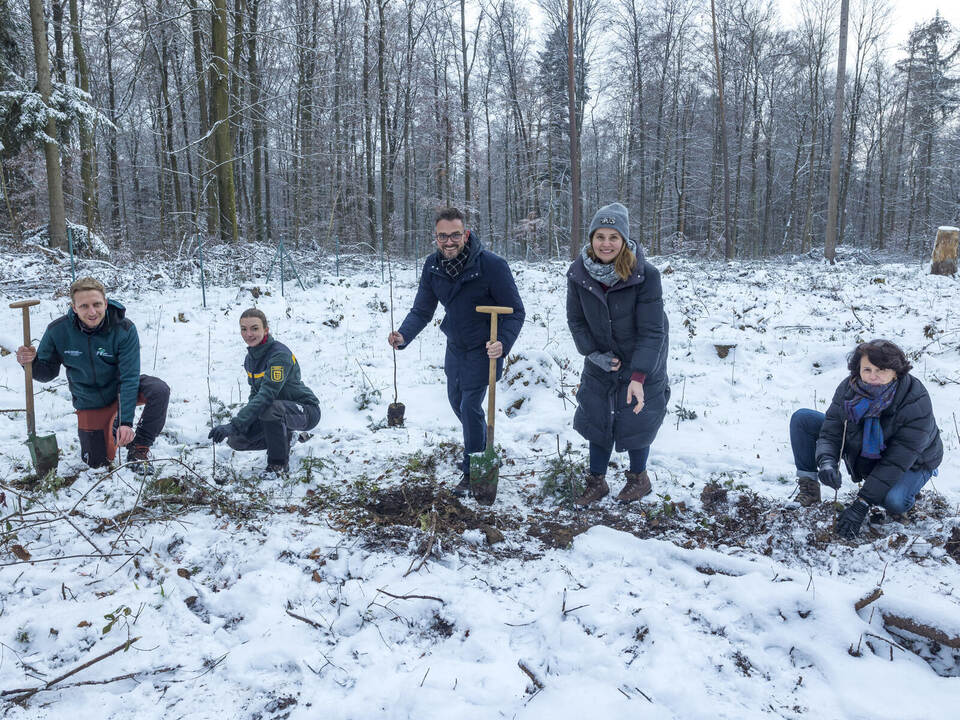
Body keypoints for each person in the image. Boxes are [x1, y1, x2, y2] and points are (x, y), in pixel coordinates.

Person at [388, 206, 525, 497]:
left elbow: (516, 312)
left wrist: (503, 343)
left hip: (485, 348)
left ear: (467, 233)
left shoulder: (492, 266)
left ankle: (471, 470)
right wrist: (403, 335)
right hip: (456, 347)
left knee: (470, 406)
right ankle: (479, 445)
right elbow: (422, 310)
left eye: (455, 235)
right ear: (435, 237)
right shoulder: (433, 266)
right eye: (442, 236)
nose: (449, 242)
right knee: (456, 402)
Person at [566, 202, 670, 506]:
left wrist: (639, 375)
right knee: (597, 415)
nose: (606, 243)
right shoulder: (579, 274)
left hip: (642, 358)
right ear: (591, 239)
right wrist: (592, 353)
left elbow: (653, 331)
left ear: (624, 240)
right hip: (601, 359)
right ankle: (596, 481)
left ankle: (639, 478)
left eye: (614, 237)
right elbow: (576, 320)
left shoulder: (645, 275)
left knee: (636, 416)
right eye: (600, 236)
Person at [789, 339, 943, 539]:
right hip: (865, 447)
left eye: (881, 370)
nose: (873, 377)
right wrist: (827, 462)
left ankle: (908, 488)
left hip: (913, 461)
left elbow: (896, 460)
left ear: (896, 371)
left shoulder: (915, 400)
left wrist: (862, 503)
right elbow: (832, 430)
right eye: (867, 369)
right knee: (803, 420)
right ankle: (809, 489)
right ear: (857, 369)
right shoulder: (849, 388)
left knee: (894, 501)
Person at [15, 276, 170, 472]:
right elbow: (46, 374)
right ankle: (105, 429)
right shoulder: (57, 331)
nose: (92, 312)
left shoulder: (124, 328)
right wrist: (29, 362)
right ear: (74, 307)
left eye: (97, 304)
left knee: (159, 390)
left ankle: (139, 447)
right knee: (97, 463)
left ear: (105, 303)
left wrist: (125, 422)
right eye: (84, 306)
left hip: (120, 388)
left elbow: (129, 377)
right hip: (90, 400)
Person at [208, 308, 321, 477]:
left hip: (305, 411)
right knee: (237, 438)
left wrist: (235, 423)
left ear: (266, 330)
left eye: (254, 328)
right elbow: (255, 395)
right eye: (243, 329)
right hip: (277, 412)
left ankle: (278, 466)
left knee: (270, 409)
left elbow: (266, 395)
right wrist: (241, 426)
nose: (248, 334)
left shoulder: (279, 356)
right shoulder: (251, 358)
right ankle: (287, 438)